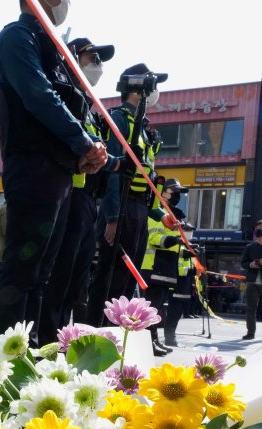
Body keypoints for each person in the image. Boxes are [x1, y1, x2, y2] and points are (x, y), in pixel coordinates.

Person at [0, 0, 115, 339]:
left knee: (42, 274)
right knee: (21, 270)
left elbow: (65, 107)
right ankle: (1, 361)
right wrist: (83, 143)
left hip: (58, 172)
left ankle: (26, 354)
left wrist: (83, 154)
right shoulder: (18, 37)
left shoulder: (52, 49)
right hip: (32, 168)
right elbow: (40, 97)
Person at [43, 36, 116, 339]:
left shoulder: (90, 108)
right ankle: (48, 340)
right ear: (72, 56)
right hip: (67, 194)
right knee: (58, 275)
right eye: (92, 57)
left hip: (89, 200)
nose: (97, 65)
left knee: (77, 279)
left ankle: (63, 340)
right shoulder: (63, 95)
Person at [86, 64, 165, 337]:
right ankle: (99, 335)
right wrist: (112, 216)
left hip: (139, 209)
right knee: (111, 277)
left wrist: (159, 215)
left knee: (128, 278)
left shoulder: (143, 128)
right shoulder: (119, 119)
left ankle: (119, 338)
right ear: (136, 88)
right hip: (123, 205)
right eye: (153, 84)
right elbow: (113, 173)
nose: (156, 92)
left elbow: (147, 178)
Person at [137, 177, 187, 355]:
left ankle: (154, 341)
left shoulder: (170, 213)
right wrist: (172, 240)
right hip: (153, 267)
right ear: (163, 191)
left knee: (157, 309)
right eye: (175, 191)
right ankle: (148, 344)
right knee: (150, 308)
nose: (178, 195)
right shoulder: (156, 211)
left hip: (165, 268)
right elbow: (152, 236)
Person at [162, 217, 197, 347]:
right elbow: (180, 270)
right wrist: (194, 271)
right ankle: (170, 339)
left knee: (177, 315)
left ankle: (171, 338)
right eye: (187, 230)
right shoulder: (179, 245)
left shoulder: (187, 245)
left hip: (184, 287)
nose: (190, 233)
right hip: (177, 287)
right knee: (173, 314)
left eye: (191, 230)